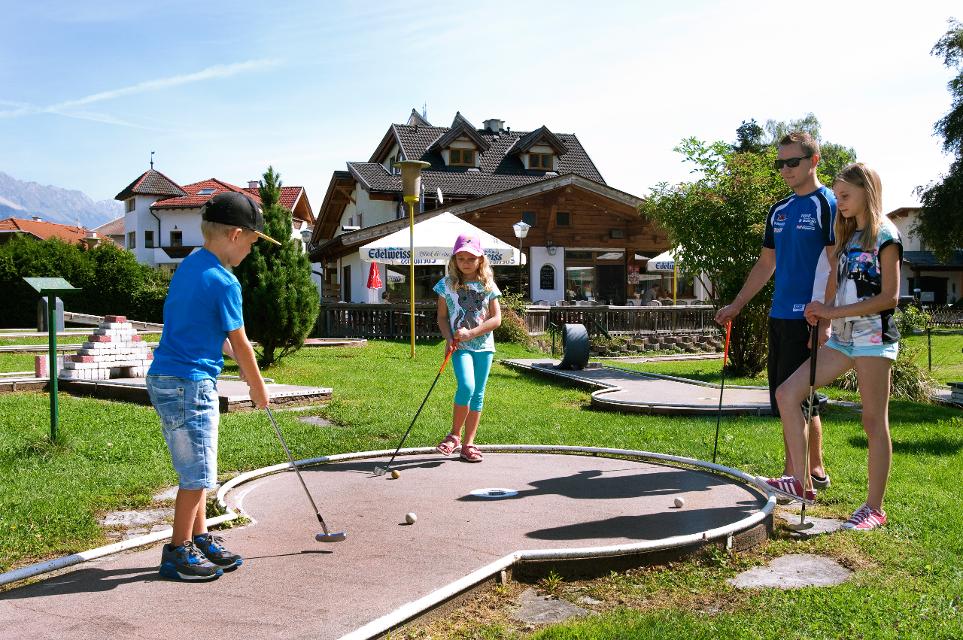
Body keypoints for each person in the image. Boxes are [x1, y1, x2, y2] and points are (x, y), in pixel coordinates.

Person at [146, 192, 277, 581]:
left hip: (167, 377)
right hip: (190, 382)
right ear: (236, 235)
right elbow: (239, 342)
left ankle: (200, 537)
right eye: (253, 242)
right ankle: (177, 551)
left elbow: (208, 333)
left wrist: (243, 368)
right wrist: (257, 387)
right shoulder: (224, 282)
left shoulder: (190, 266)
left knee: (196, 466)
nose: (252, 251)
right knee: (198, 473)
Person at [763, 163, 900, 530]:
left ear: (866, 192)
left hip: (873, 339)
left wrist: (833, 310)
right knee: (787, 393)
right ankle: (801, 481)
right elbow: (832, 283)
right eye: (837, 196)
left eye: (845, 196)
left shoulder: (885, 235)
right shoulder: (848, 234)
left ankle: (874, 509)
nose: (838, 202)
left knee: (873, 421)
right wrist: (822, 317)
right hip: (842, 339)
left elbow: (889, 298)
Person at [715, 131, 836, 491]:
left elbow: (834, 264)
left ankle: (794, 476)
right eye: (779, 163)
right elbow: (766, 263)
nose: (784, 169)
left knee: (792, 397)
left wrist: (825, 318)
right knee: (794, 397)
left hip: (809, 316)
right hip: (780, 314)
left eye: (792, 162)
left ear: (814, 160)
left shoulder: (828, 204)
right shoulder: (778, 210)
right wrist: (736, 304)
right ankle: (814, 470)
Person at [433, 233, 502, 463]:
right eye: (461, 258)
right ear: (454, 259)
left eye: (470, 258)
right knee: (466, 386)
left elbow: (496, 319)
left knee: (478, 395)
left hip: (484, 347)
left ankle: (468, 444)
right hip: (459, 347)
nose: (465, 262)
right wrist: (449, 338)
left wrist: (471, 333)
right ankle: (454, 435)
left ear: (480, 260)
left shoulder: (488, 285)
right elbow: (442, 317)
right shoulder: (446, 284)